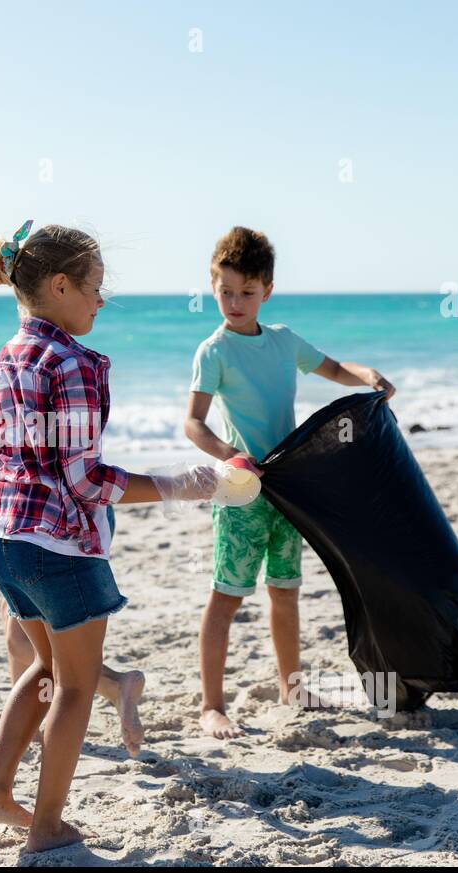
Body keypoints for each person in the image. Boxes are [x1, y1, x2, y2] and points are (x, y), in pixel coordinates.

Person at [0, 220, 216, 852]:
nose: (101, 300)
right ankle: (47, 826)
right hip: (59, 551)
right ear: (58, 285)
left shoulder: (1, 363)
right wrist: (172, 485)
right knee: (76, 687)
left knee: (46, 670)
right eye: (95, 287)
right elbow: (84, 479)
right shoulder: (70, 362)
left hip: (6, 542)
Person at [184, 225, 397, 739]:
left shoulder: (282, 342)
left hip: (290, 486)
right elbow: (193, 423)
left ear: (267, 291)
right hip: (241, 491)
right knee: (227, 596)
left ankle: (291, 686)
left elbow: (334, 369)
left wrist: (367, 374)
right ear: (213, 287)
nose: (235, 302)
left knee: (285, 591)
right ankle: (212, 705)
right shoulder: (213, 351)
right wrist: (230, 454)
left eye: (247, 293)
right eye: (225, 291)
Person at [0, 319, 147, 756]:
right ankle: (32, 717)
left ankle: (112, 687)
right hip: (62, 514)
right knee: (22, 635)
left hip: (50, 523)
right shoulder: (1, 383)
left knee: (32, 637)